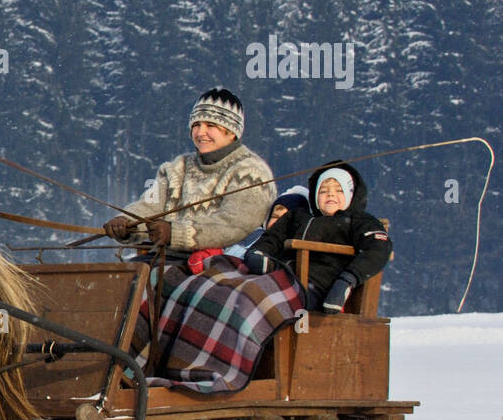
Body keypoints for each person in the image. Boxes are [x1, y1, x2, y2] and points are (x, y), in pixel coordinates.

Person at [103, 88, 276, 255]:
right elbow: (149, 206)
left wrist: (176, 233)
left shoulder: (251, 172)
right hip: (166, 258)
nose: (200, 132)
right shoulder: (175, 168)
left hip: (223, 263)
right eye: (196, 125)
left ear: (231, 132)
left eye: (210, 125)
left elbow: (236, 225)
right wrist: (126, 223)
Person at [243, 162, 392, 312]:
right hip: (278, 275)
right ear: (315, 196)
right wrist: (257, 253)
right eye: (323, 191)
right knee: (226, 279)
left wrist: (347, 279)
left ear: (351, 195)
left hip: (315, 287)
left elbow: (378, 247)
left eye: (339, 190)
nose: (330, 194)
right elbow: (272, 238)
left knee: (254, 297)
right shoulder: (297, 216)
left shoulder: (359, 221)